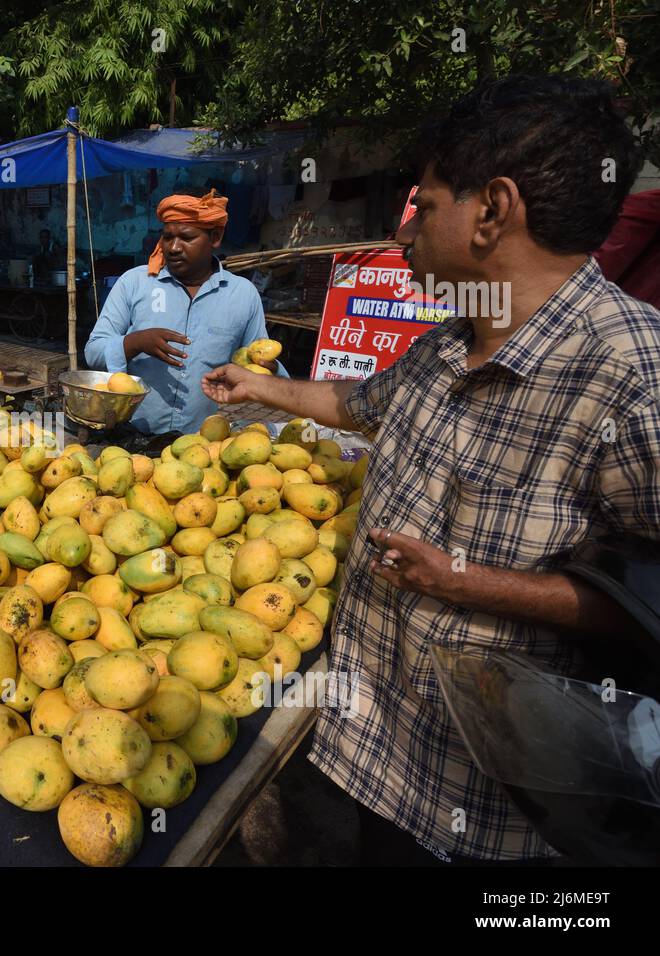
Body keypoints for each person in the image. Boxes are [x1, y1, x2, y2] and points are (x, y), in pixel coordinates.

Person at [202, 75, 659, 864]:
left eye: (428, 200)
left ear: (493, 210)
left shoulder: (632, 374)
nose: (407, 230)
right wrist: (263, 386)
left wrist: (466, 582)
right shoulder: (449, 339)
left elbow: (652, 602)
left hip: (495, 809)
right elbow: (360, 404)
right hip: (384, 759)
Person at [84, 189, 282, 434]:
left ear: (216, 237)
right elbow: (93, 351)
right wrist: (134, 342)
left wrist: (270, 370)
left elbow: (256, 360)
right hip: (127, 436)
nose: (174, 247)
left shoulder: (242, 295)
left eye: (186, 238)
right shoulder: (134, 282)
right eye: (167, 237)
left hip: (197, 444)